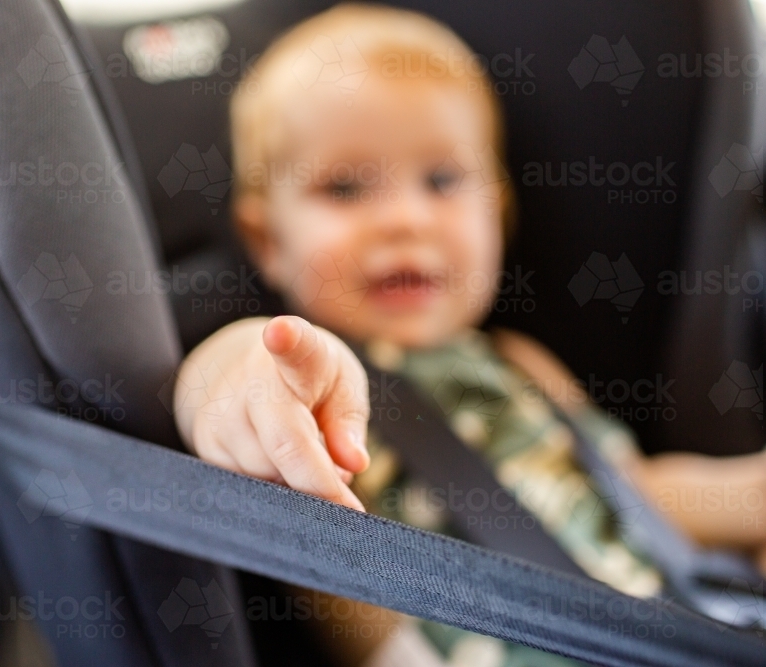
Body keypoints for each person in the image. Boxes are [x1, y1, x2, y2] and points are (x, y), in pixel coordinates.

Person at [170, 4, 766, 665]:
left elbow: (631, 500)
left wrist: (750, 493)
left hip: (665, 630)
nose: (404, 219)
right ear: (268, 240)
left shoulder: (518, 361)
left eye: (443, 180)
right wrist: (240, 365)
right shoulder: (309, 378)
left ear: (499, 212)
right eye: (343, 187)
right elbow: (212, 390)